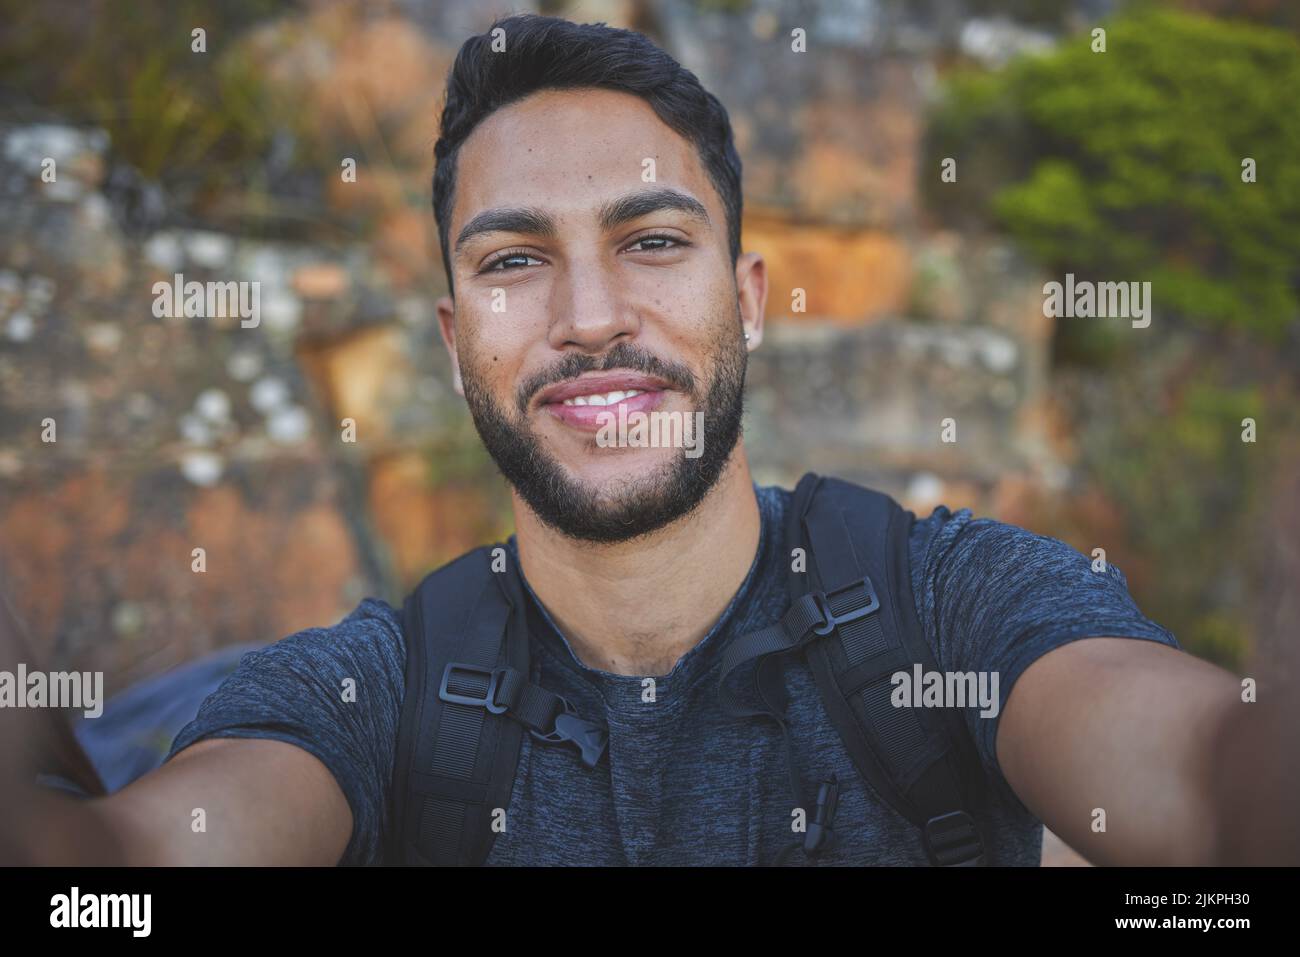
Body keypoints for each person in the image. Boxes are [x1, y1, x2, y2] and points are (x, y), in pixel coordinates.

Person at [1, 13, 1294, 867]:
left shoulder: (949, 607)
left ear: (747, 298)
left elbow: (1206, 777)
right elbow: (131, 867)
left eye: (654, 240)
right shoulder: (374, 693)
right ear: (454, 340)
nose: (590, 317)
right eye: (516, 259)